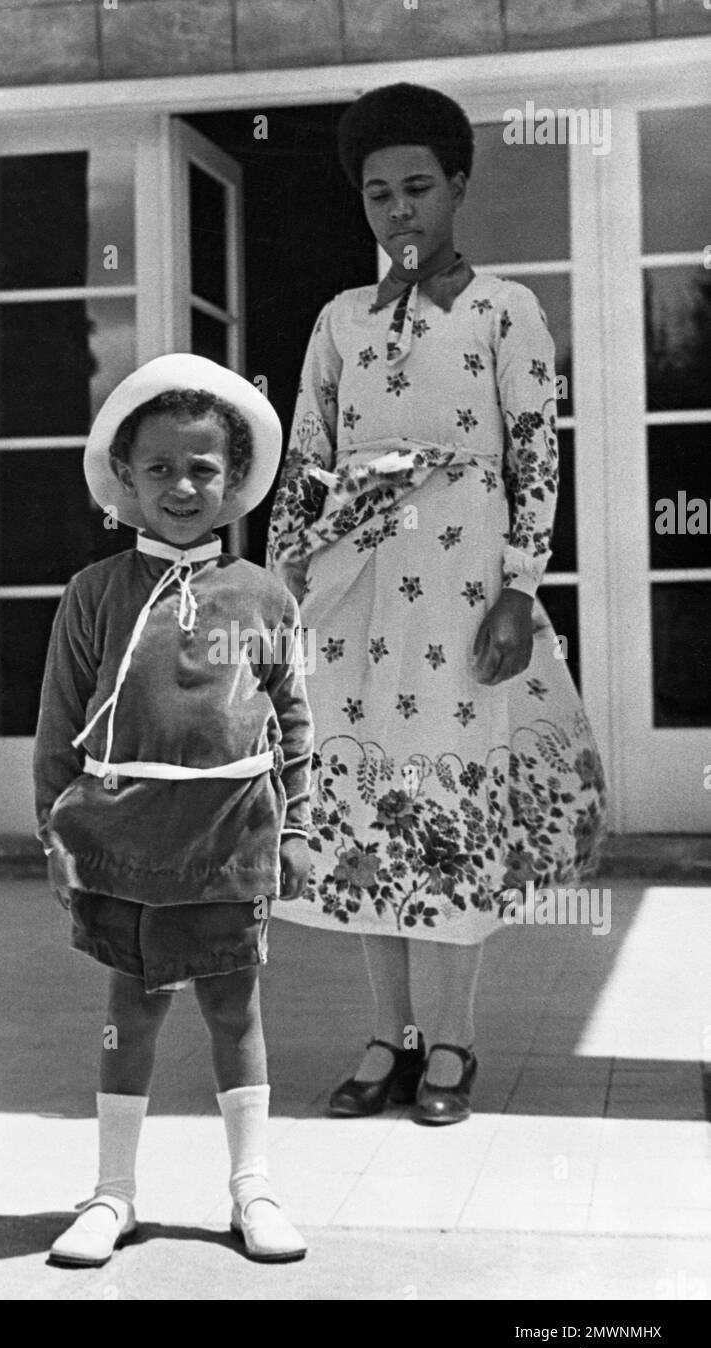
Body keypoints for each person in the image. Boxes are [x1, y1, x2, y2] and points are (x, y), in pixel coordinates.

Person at [266, 83, 607, 1125]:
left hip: (458, 595)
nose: (398, 210)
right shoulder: (339, 320)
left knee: (449, 804)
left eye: (417, 186)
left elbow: (534, 455)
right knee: (363, 809)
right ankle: (387, 1037)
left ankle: (451, 1042)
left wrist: (518, 587)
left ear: (458, 185)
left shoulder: (504, 310)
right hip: (354, 602)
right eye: (377, 193)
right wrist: (280, 589)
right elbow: (303, 464)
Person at [34, 354, 313, 1265]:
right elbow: (58, 725)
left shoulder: (264, 596)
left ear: (235, 480)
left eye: (202, 467)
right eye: (159, 468)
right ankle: (112, 1194)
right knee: (134, 1007)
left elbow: (296, 722)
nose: (182, 486)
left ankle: (252, 1189)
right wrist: (55, 833)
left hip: (229, 834)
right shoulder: (95, 593)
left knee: (234, 1008)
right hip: (122, 836)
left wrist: (301, 825)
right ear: (125, 481)